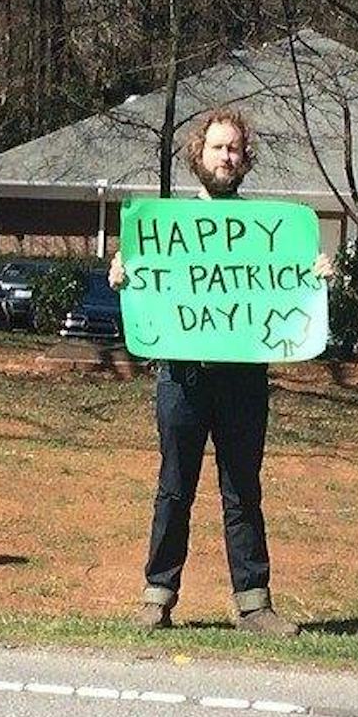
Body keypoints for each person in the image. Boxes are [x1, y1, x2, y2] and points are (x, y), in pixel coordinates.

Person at [109, 108, 332, 637]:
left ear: (244, 158)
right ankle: (158, 597)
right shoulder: (166, 230)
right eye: (217, 147)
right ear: (199, 154)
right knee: (174, 488)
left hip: (243, 381)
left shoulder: (270, 233)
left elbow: (289, 290)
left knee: (243, 491)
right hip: (181, 379)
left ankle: (254, 606)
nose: (226, 156)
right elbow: (147, 290)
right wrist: (124, 276)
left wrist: (316, 275)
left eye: (233, 148)